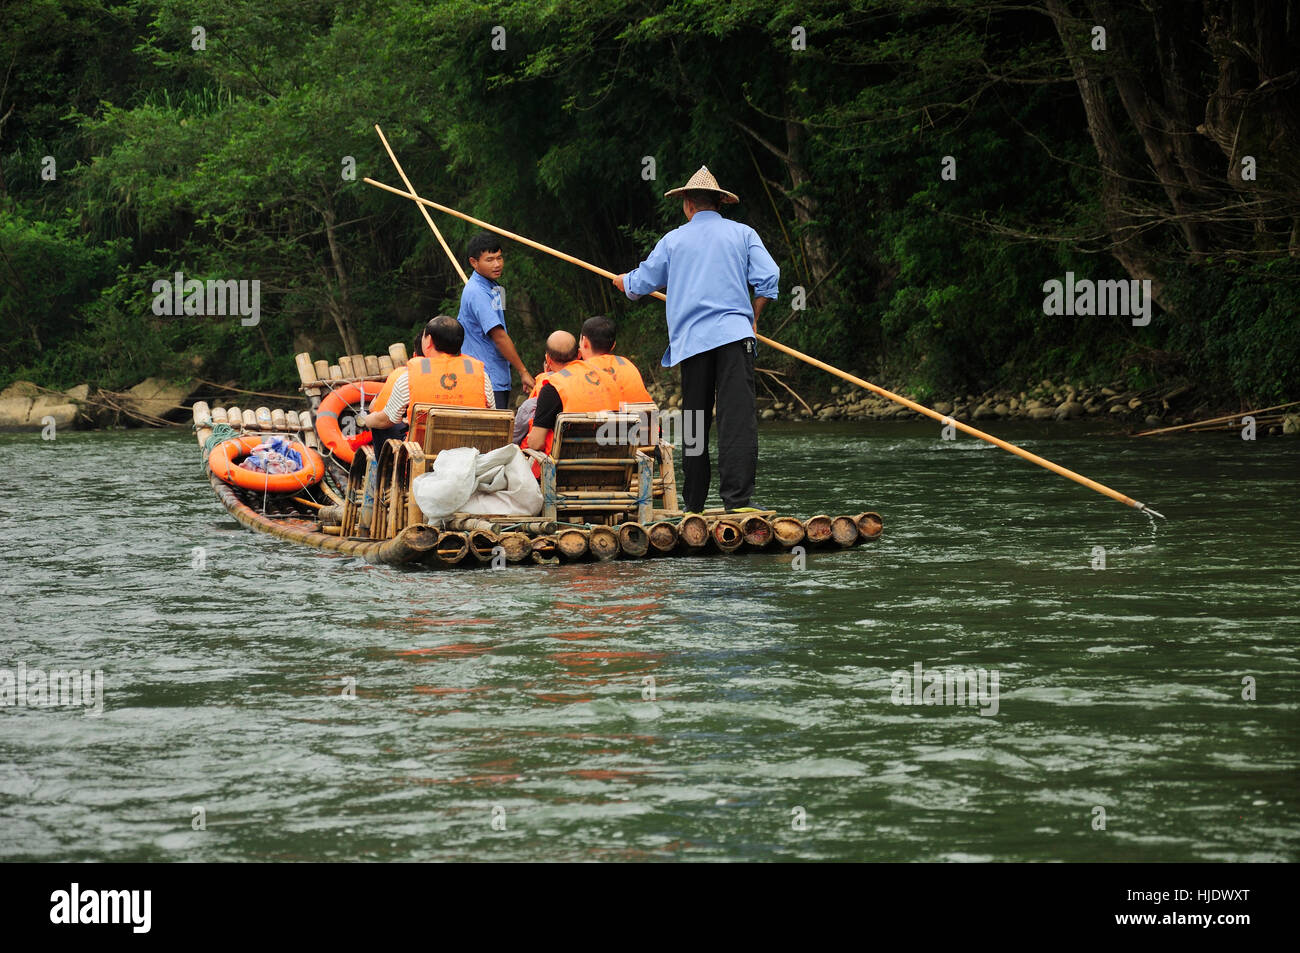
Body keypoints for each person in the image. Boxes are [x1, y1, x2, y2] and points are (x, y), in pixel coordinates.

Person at [612, 166, 778, 513]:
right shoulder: (743, 233)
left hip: (693, 342)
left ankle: (695, 504)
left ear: (687, 204)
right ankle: (737, 501)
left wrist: (622, 282)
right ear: (720, 203)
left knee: (694, 421)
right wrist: (753, 318)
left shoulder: (673, 240)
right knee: (737, 419)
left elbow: (641, 283)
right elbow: (769, 278)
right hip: (735, 337)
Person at [359, 315, 492, 437]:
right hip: (470, 449)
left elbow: (385, 420)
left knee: (379, 425)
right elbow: (494, 415)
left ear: (428, 341)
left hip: (423, 453)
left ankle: (385, 464)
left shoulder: (409, 377)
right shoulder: (481, 376)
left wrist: (367, 419)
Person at [457, 232, 535, 411]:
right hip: (485, 379)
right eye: (490, 260)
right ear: (473, 262)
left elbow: (501, 324)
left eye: (500, 258)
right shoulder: (477, 291)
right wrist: (523, 371)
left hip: (498, 374)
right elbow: (499, 335)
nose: (497, 264)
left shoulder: (497, 288)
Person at [524, 330, 619, 463]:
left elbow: (536, 443)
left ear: (548, 360)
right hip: (611, 466)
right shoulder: (607, 378)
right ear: (579, 354)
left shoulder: (552, 388)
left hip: (568, 473)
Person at [578, 315, 653, 406]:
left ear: (585, 342)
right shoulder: (626, 364)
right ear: (613, 345)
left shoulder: (576, 372)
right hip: (638, 418)